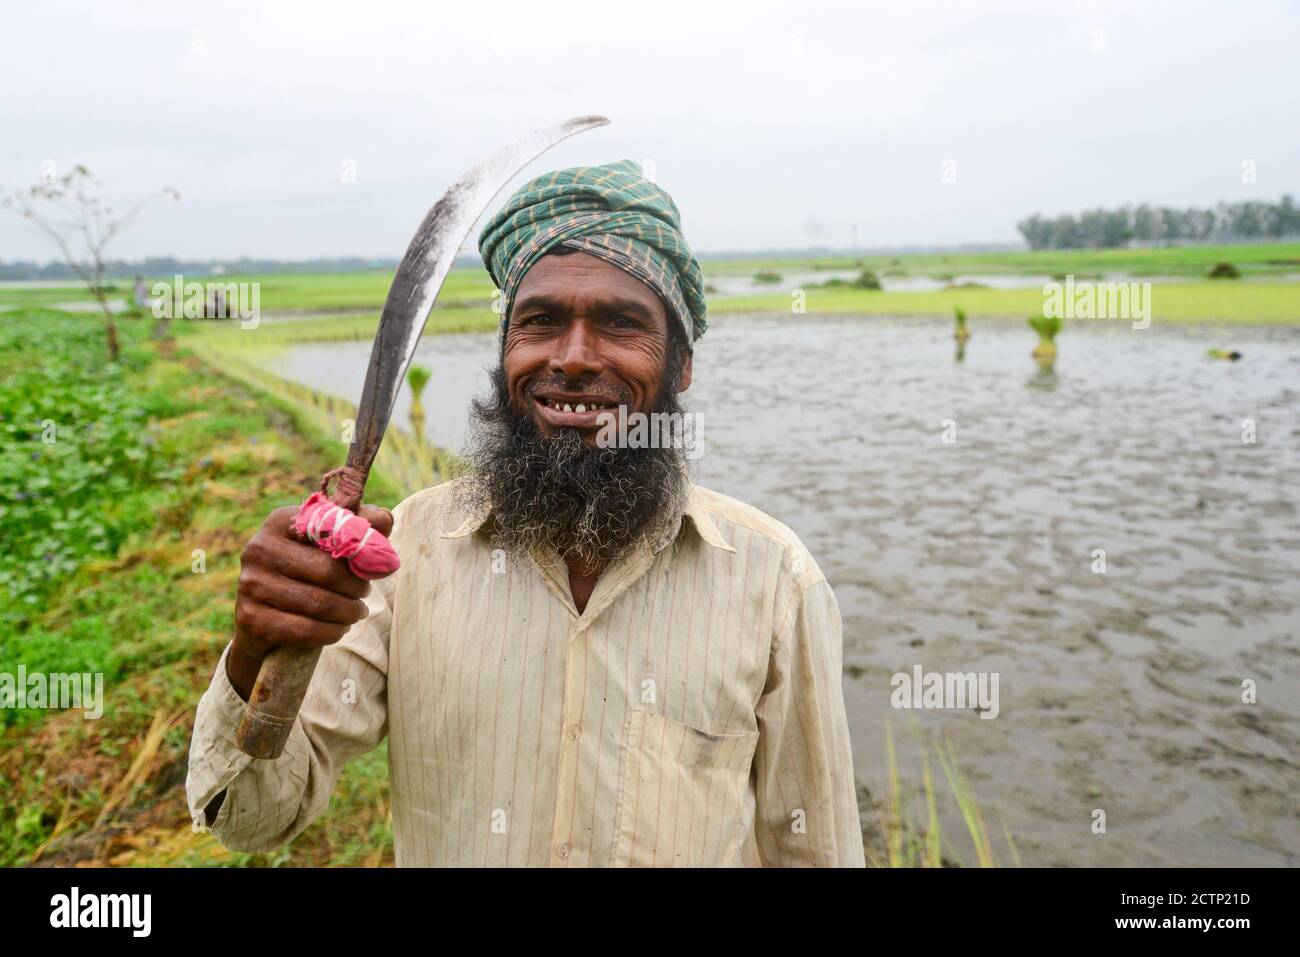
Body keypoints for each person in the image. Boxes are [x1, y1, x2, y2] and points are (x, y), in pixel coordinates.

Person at [186, 160, 865, 867]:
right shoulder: (405, 558)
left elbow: (816, 848)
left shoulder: (774, 580)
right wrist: (254, 651)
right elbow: (248, 818)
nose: (572, 359)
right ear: (505, 347)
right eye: (540, 322)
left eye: (621, 323)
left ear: (681, 365)